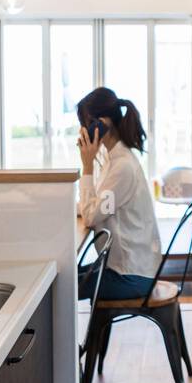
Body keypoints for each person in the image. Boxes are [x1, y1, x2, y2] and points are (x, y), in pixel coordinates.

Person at [75, 87, 162, 302]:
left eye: (86, 123)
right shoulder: (113, 159)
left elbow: (91, 216)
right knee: (66, 279)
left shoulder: (121, 167)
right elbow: (98, 205)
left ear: (103, 123)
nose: (83, 131)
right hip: (127, 268)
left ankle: (83, 337)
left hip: (132, 275)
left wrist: (86, 166)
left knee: (61, 288)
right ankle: (93, 337)